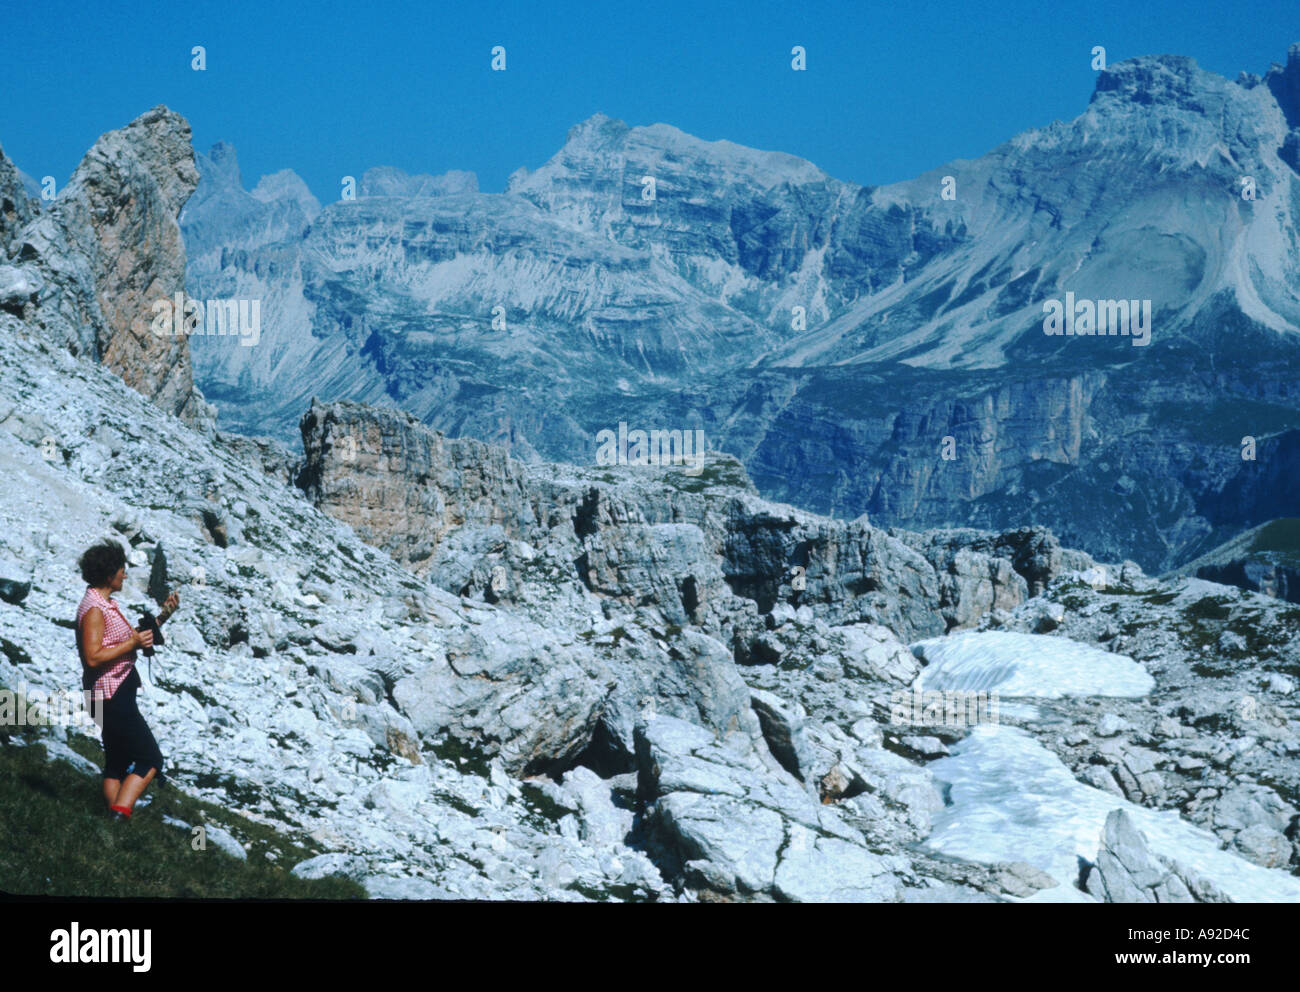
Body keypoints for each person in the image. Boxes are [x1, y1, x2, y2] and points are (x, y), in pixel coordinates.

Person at [75, 539, 179, 821]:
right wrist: (133, 643)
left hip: (105, 694)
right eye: (122, 569)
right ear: (109, 573)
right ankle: (120, 816)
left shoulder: (102, 603)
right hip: (112, 695)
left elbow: (124, 639)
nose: (125, 574)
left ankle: (113, 820)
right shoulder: (96, 609)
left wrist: (162, 618)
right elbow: (93, 656)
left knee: (117, 763)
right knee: (150, 759)